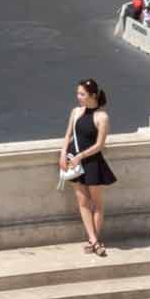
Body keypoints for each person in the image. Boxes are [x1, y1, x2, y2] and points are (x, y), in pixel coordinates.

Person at [61, 78, 118, 255]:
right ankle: (94, 240)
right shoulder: (75, 112)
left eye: (82, 94)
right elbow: (68, 135)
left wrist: (81, 156)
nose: (78, 97)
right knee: (83, 202)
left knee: (97, 203)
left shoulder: (102, 117)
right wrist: (63, 154)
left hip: (92, 162)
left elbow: (100, 145)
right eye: (78, 94)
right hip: (74, 160)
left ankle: (93, 240)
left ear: (93, 95)